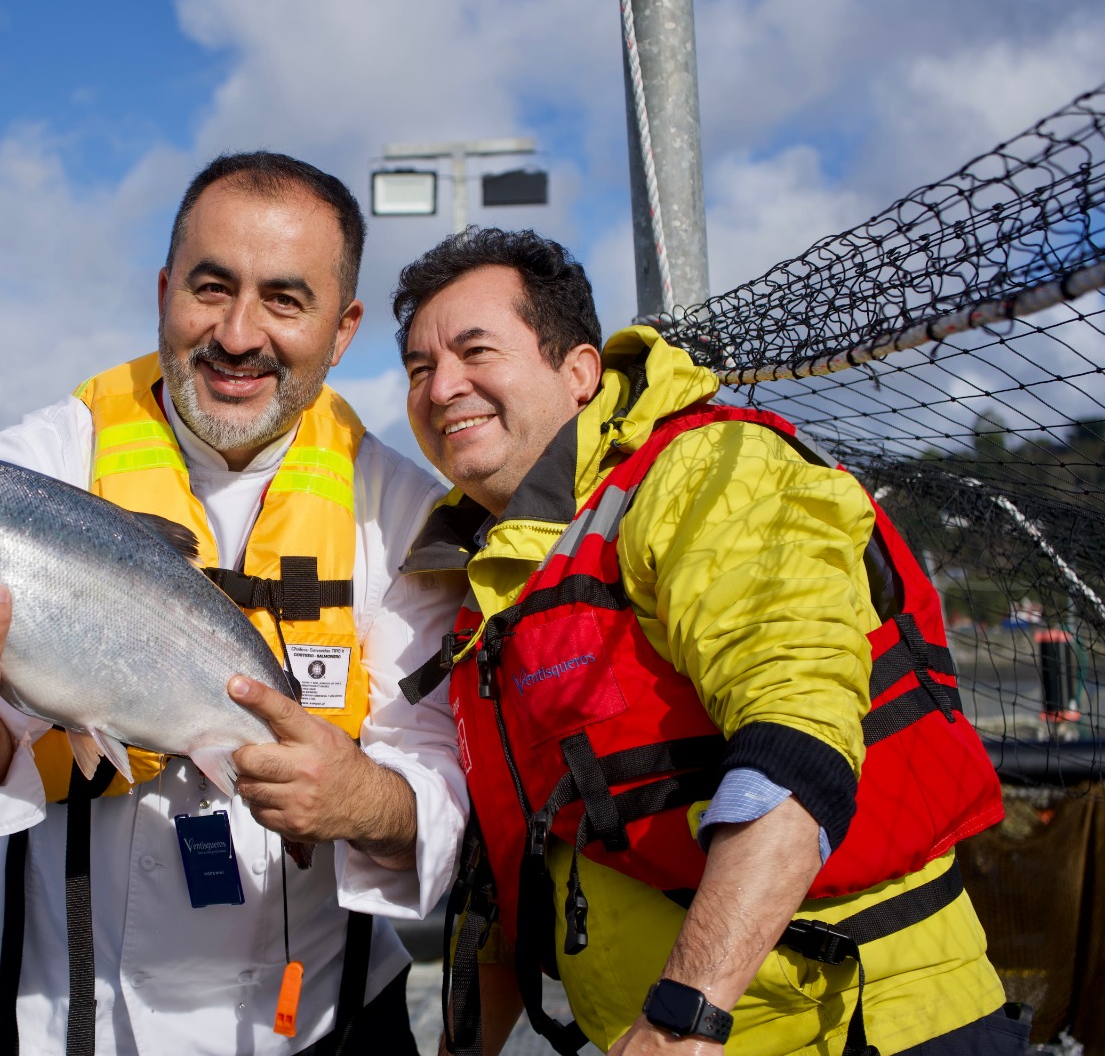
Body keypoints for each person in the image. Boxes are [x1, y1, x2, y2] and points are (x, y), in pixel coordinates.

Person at [0, 152, 468, 1056]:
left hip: (326, 1027)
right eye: (210, 288)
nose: (237, 333)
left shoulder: (406, 517)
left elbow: (444, 788)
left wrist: (367, 800)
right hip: (56, 1022)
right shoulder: (37, 470)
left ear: (342, 332)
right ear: (162, 290)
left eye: (286, 301)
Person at [392, 228, 1023, 1055]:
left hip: (862, 1029)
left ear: (579, 373)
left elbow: (797, 743)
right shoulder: (500, 580)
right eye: (417, 368)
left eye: (476, 351)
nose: (443, 388)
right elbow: (506, 865)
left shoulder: (708, 474)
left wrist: (684, 1018)